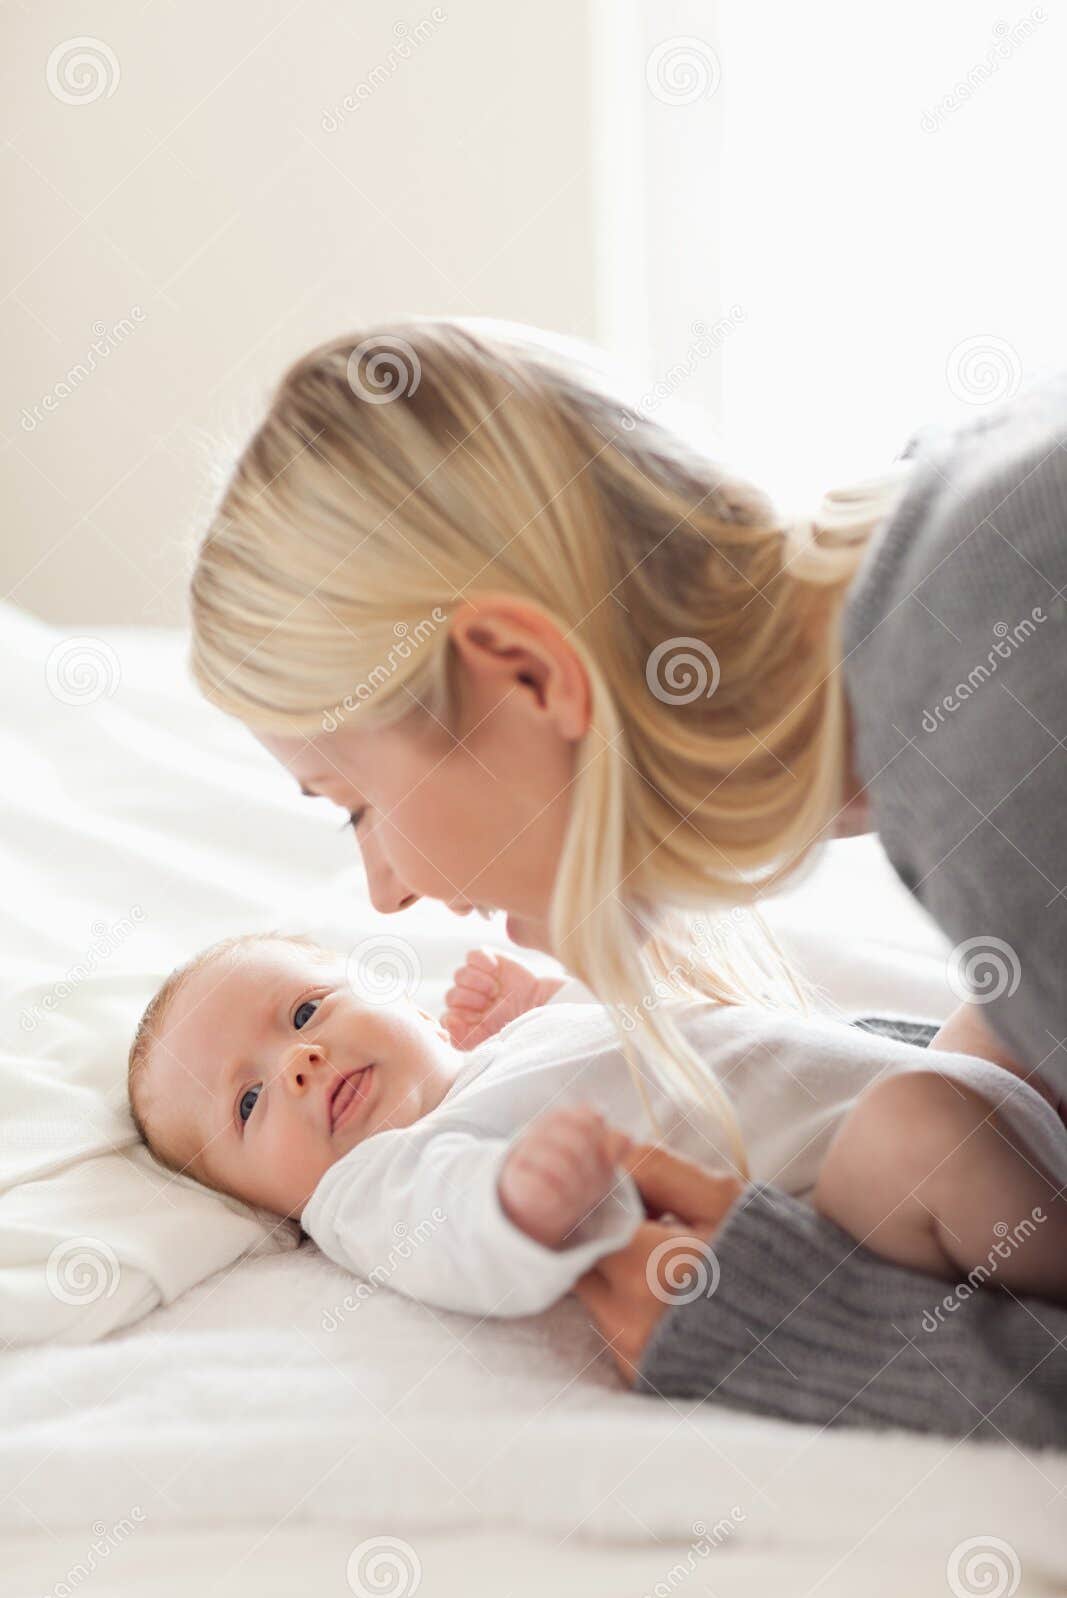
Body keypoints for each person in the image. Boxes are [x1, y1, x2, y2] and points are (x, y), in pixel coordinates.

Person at [186, 319, 1067, 1441]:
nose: (386, 892)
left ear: (528, 674)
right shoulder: (961, 561)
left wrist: (798, 1332)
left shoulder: (1000, 737)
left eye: (355, 804)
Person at [127, 933, 1066, 1319]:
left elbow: (630, 1037)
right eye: (247, 1103)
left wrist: (547, 1002)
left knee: (1014, 976)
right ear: (266, 1206)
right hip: (862, 1203)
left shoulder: (502, 1053)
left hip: (946, 1072)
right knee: (923, 1126)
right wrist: (514, 1204)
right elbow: (439, 1231)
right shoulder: (372, 1186)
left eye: (304, 1014)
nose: (298, 1062)